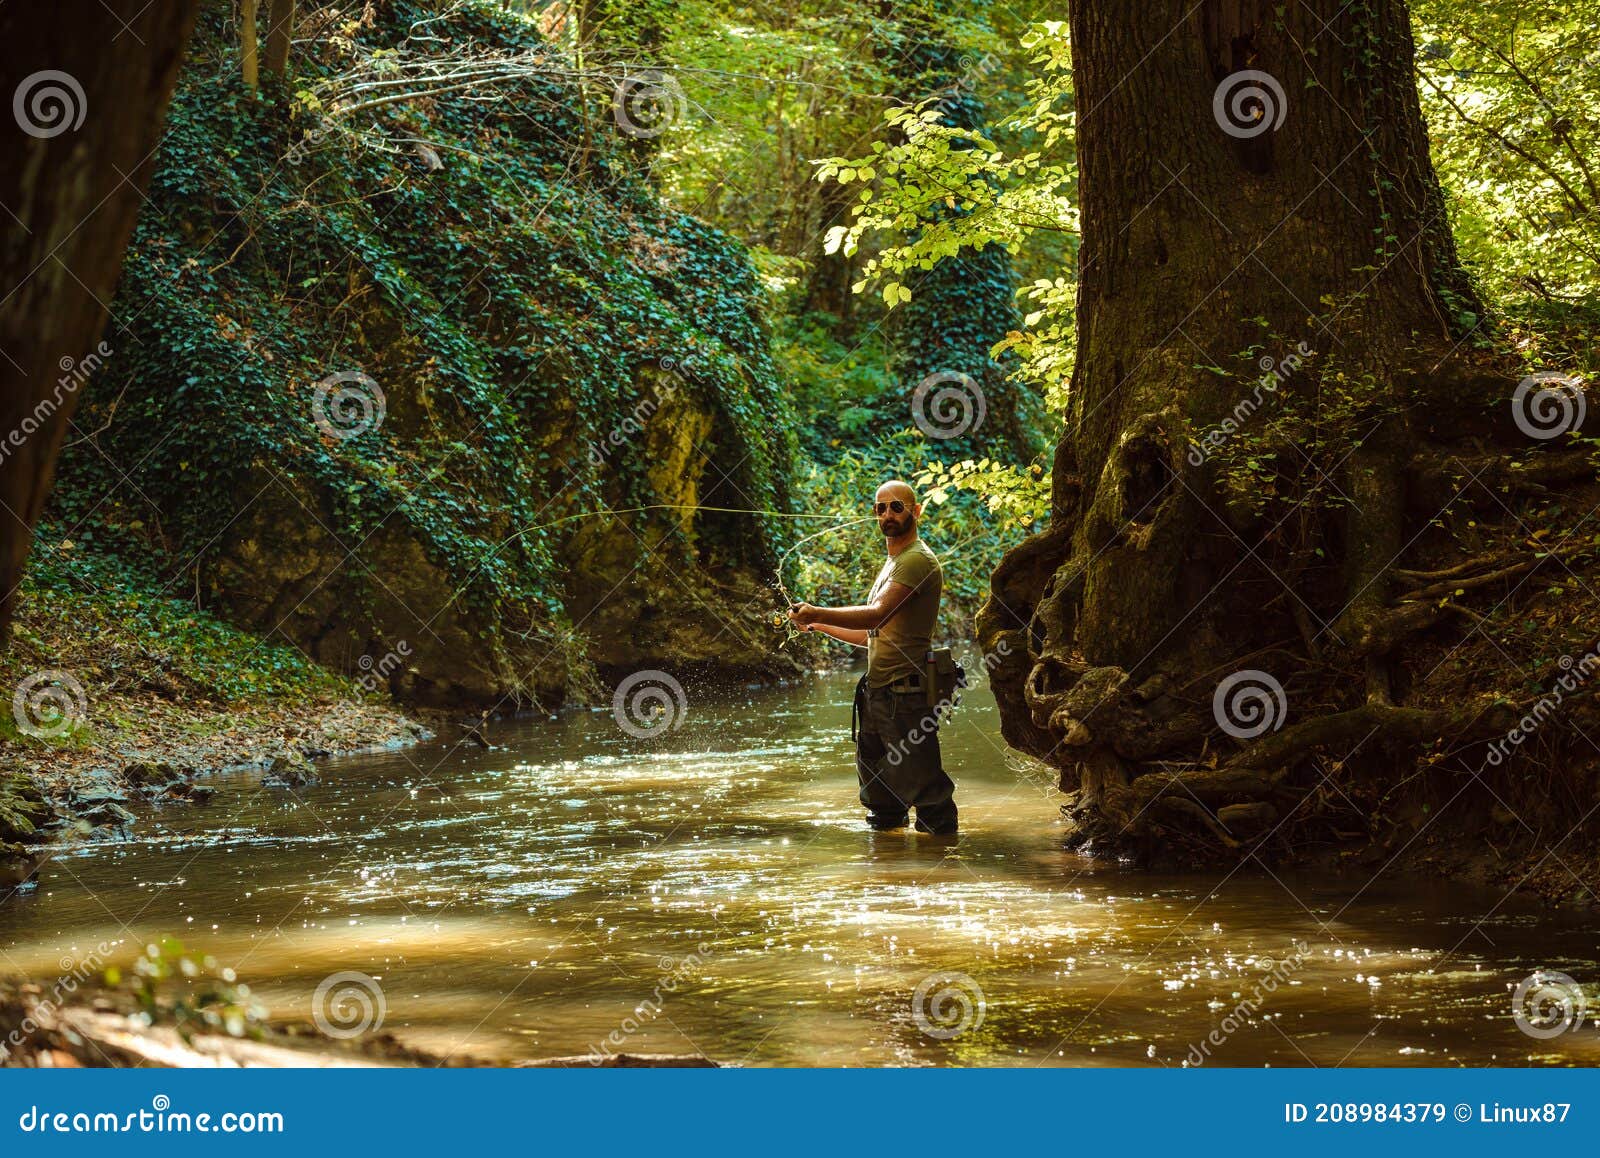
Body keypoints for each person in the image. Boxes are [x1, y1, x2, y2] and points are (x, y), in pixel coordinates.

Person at [789, 480, 958, 835]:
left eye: (897, 506)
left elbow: (875, 614)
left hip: (907, 697)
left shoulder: (916, 561)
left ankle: (942, 874)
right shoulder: (894, 563)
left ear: (916, 511)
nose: (888, 514)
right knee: (880, 801)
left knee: (930, 799)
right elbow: (871, 635)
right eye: (881, 508)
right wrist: (817, 623)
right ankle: (885, 876)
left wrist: (817, 609)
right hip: (878, 694)